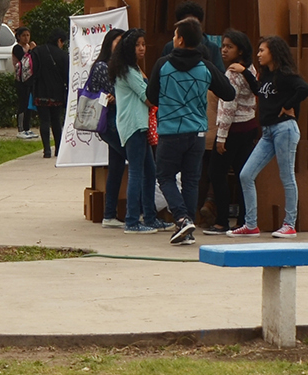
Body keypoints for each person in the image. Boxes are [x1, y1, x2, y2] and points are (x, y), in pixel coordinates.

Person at [147, 16, 237, 245]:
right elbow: (228, 93)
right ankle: (187, 229)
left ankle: (181, 217)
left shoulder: (163, 65)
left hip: (170, 131)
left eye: (175, 35)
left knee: (165, 176)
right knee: (191, 180)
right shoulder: (206, 67)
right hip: (197, 132)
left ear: (181, 40)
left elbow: (151, 96)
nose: (173, 38)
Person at [230, 36, 308, 239]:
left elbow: (305, 89)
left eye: (262, 51)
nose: (258, 54)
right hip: (267, 132)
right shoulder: (265, 76)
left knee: (286, 176)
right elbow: (259, 91)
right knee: (245, 175)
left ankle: (289, 224)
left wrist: (288, 105)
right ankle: (250, 225)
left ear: (273, 52)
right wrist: (247, 74)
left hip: (284, 129)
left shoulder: (285, 75)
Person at [207, 30, 261, 233]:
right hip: (248, 127)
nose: (224, 50)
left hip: (233, 130)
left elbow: (228, 106)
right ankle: (244, 220)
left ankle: (221, 220)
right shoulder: (250, 68)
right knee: (242, 174)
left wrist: (221, 137)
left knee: (216, 172)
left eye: (229, 46)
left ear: (240, 50)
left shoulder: (232, 73)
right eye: (223, 46)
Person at [111, 29, 164, 234]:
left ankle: (150, 218)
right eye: (137, 45)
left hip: (139, 124)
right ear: (128, 48)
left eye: (143, 44)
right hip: (133, 125)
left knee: (149, 172)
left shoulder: (132, 69)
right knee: (136, 172)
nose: (142, 48)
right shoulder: (127, 71)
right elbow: (148, 98)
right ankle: (132, 221)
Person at [84, 32, 124, 228]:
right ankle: (139, 213)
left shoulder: (118, 66)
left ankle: (110, 214)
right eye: (119, 42)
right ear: (110, 44)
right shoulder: (103, 67)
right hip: (109, 123)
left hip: (115, 122)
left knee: (116, 167)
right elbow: (115, 94)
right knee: (138, 162)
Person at [29, 28, 69, 159]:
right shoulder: (63, 55)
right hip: (57, 93)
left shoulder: (37, 51)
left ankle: (46, 150)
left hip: (40, 91)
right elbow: (67, 75)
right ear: (59, 40)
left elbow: (32, 70)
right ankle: (58, 148)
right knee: (56, 121)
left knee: (44, 121)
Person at [12, 32, 37, 138]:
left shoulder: (29, 47)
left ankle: (27, 128)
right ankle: (21, 129)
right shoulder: (17, 48)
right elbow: (24, 60)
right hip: (21, 80)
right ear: (19, 37)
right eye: (24, 35)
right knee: (22, 104)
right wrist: (31, 50)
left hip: (30, 79)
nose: (26, 38)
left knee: (29, 104)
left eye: (28, 35)